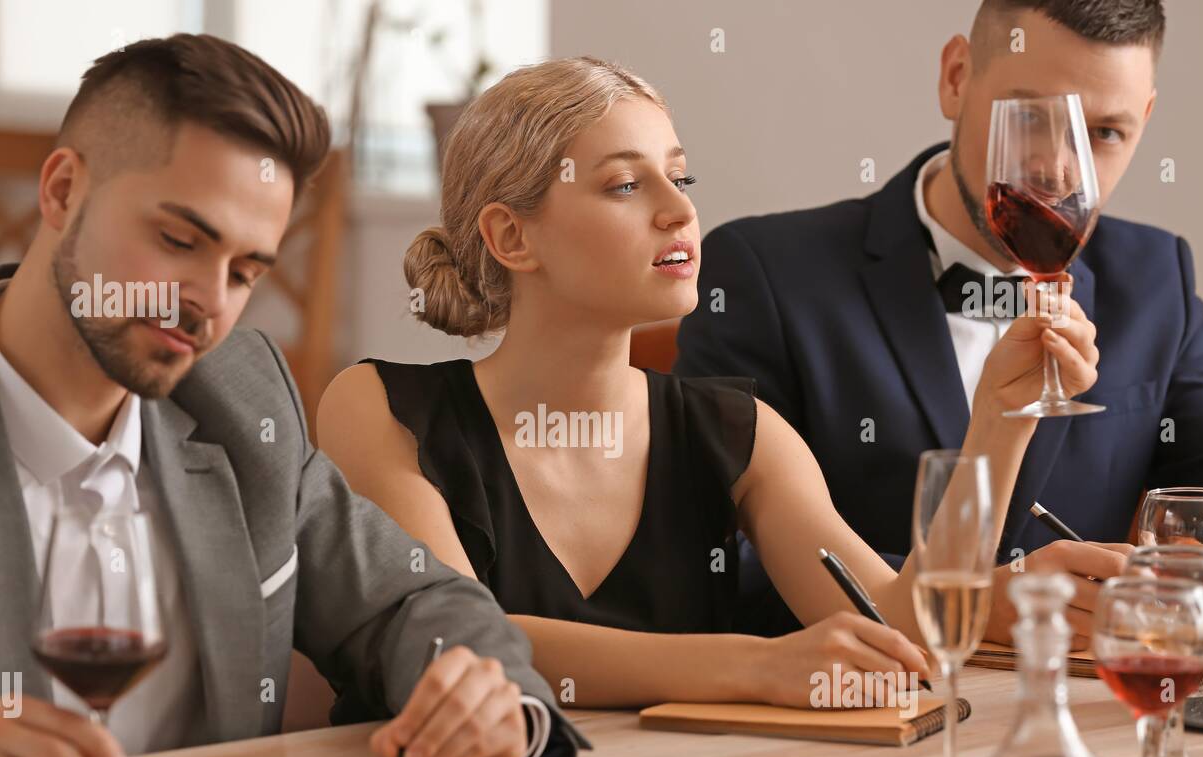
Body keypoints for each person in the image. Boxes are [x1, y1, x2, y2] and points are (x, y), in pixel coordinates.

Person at [0, 34, 587, 757]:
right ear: (62, 191)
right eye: (178, 240)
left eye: (244, 272)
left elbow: (418, 599)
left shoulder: (240, 401)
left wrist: (485, 696)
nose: (209, 304)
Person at [317, 56, 1098, 712]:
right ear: (512, 236)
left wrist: (1003, 416)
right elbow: (457, 640)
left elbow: (916, 632)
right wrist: (757, 665)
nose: (678, 211)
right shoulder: (378, 410)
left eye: (681, 178)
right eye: (626, 186)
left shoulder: (740, 431)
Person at [675, 0, 1203, 642]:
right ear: (956, 77)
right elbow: (716, 565)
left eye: (1105, 134)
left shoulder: (1157, 277)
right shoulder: (763, 272)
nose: (1060, 171)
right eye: (1031, 116)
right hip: (866, 717)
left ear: (1144, 121)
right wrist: (969, 605)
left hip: (1089, 713)